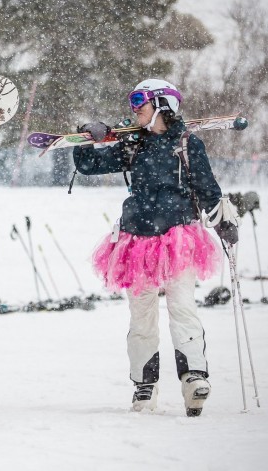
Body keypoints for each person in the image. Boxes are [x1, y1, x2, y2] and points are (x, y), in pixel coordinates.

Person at [73, 79, 238, 417]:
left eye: (140, 102)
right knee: (142, 316)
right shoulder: (133, 145)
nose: (135, 109)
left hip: (177, 237)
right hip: (136, 239)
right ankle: (144, 386)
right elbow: (89, 166)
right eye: (133, 103)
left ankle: (194, 377)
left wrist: (224, 221)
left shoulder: (187, 144)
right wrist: (88, 138)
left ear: (163, 104)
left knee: (182, 308)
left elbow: (207, 188)